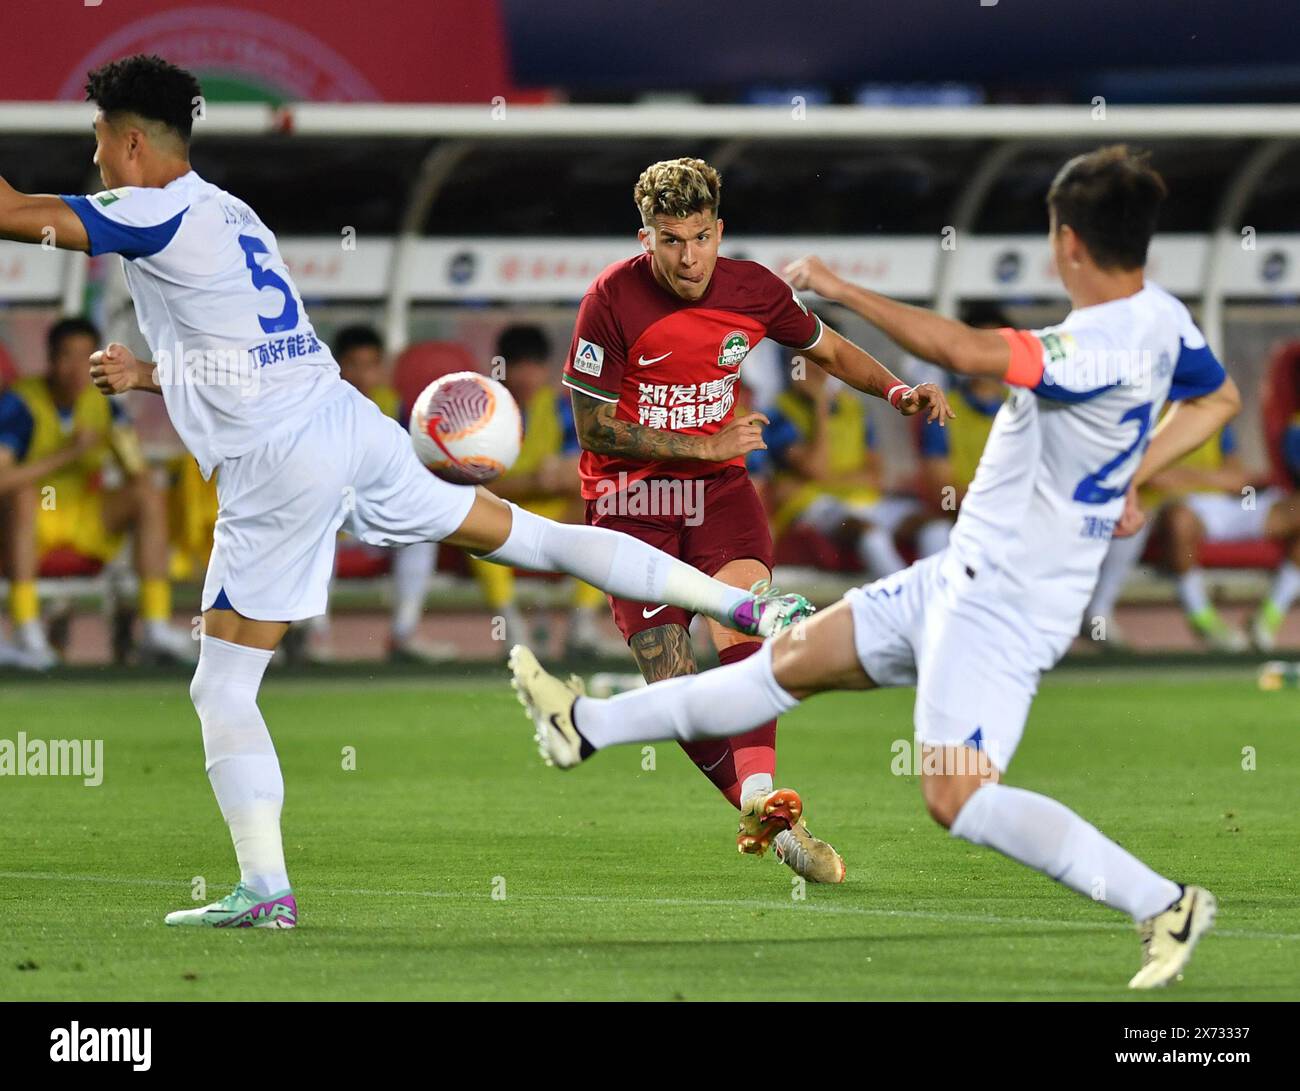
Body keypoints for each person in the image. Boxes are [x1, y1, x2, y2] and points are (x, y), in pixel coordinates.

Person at [0, 54, 825, 929]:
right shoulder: (228, 211)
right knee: (525, 534)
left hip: (282, 461)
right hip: (347, 426)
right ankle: (744, 611)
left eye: (96, 139)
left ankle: (265, 891)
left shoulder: (147, 208)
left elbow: (13, 214)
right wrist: (152, 372)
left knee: (223, 687)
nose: (94, 158)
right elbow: (247, 354)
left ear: (130, 142)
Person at [511, 146, 1239, 988]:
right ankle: (585, 723)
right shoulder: (1166, 319)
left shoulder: (1093, 344)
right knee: (784, 661)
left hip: (1001, 602)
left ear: (1067, 243)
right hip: (956, 574)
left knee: (956, 798)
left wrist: (842, 288)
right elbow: (1217, 397)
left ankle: (1164, 900)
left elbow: (967, 354)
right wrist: (1132, 473)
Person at [562, 157, 950, 883]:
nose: (688, 257)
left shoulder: (754, 290)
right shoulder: (609, 299)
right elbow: (593, 427)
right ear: (643, 237)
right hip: (630, 503)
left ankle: (768, 802)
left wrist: (896, 390)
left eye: (701, 237)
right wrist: (702, 439)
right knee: (673, 683)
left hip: (719, 491)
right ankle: (768, 814)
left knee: (742, 622)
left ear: (720, 230)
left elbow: (828, 349)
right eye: (670, 239)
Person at [0, 316, 194, 665]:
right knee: (25, 495)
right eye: (65, 356)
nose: (75, 369)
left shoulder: (103, 402)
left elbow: (135, 467)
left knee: (147, 496)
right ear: (50, 359)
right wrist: (67, 453)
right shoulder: (20, 404)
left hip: (84, 516)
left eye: (84, 357)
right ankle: (26, 629)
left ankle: (154, 624)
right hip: (34, 516)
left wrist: (143, 475)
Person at [290, 324, 453, 665]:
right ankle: (313, 634)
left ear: (382, 369)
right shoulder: (316, 409)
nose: (362, 374)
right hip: (329, 521)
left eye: (371, 364)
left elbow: (420, 471)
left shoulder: (401, 409)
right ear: (336, 365)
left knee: (423, 532)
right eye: (353, 363)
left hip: (375, 518)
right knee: (321, 525)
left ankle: (404, 633)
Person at [468, 323, 624, 657]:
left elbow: (584, 472)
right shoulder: (481, 410)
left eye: (534, 367)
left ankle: (581, 625)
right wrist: (531, 481)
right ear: (502, 367)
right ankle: (512, 628)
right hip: (501, 514)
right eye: (518, 366)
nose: (527, 376)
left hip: (550, 512)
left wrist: (559, 477)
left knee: (605, 515)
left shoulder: (562, 408)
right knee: (473, 519)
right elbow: (472, 483)